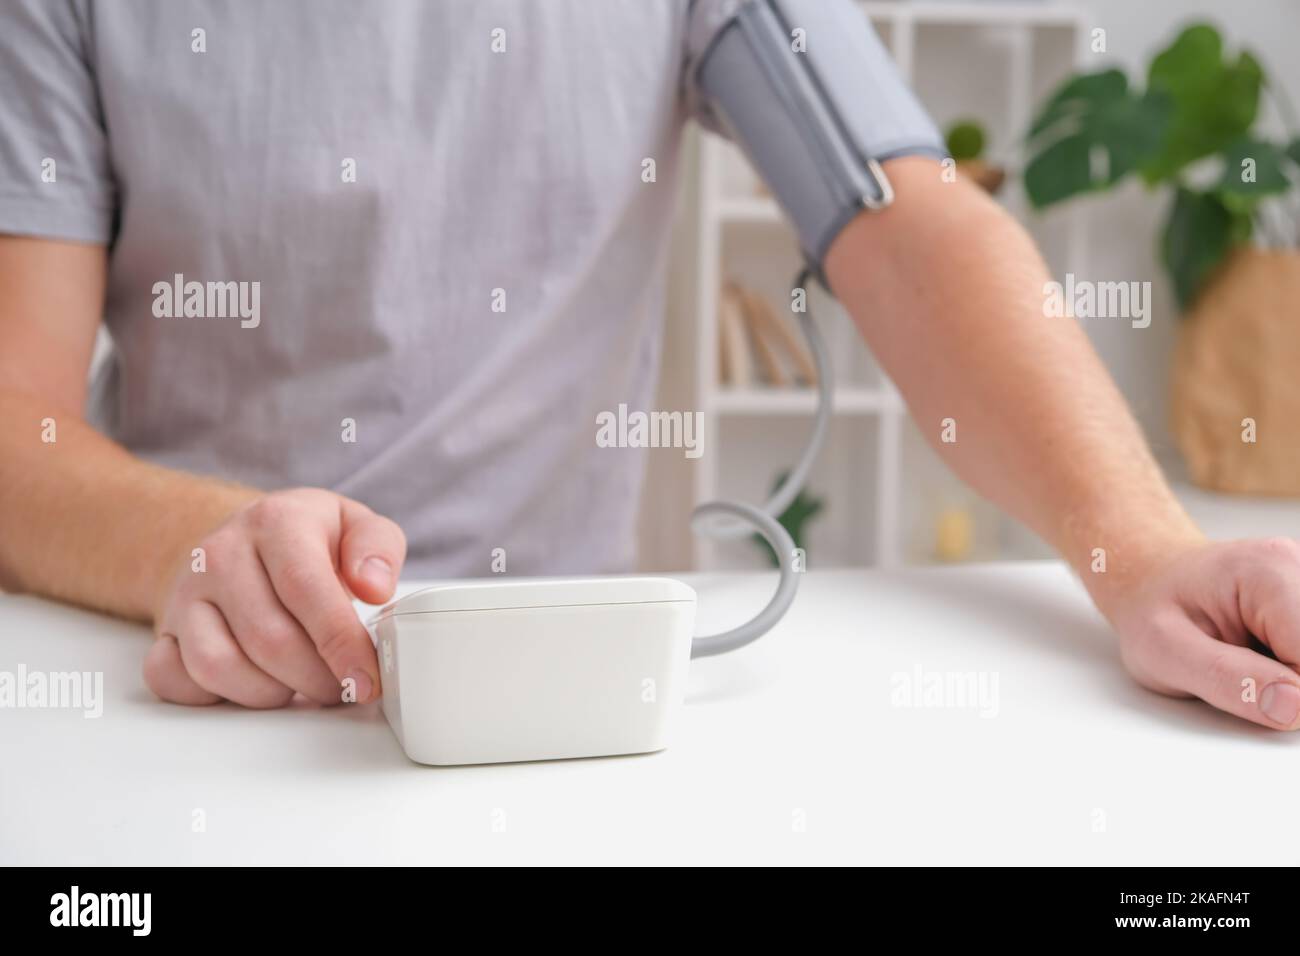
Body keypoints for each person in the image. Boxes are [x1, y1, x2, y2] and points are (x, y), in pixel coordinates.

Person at [2, 0, 1298, 731]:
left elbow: (912, 230)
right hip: (176, 676)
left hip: (551, 701)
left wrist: (1144, 550)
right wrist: (208, 549)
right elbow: (17, 426)